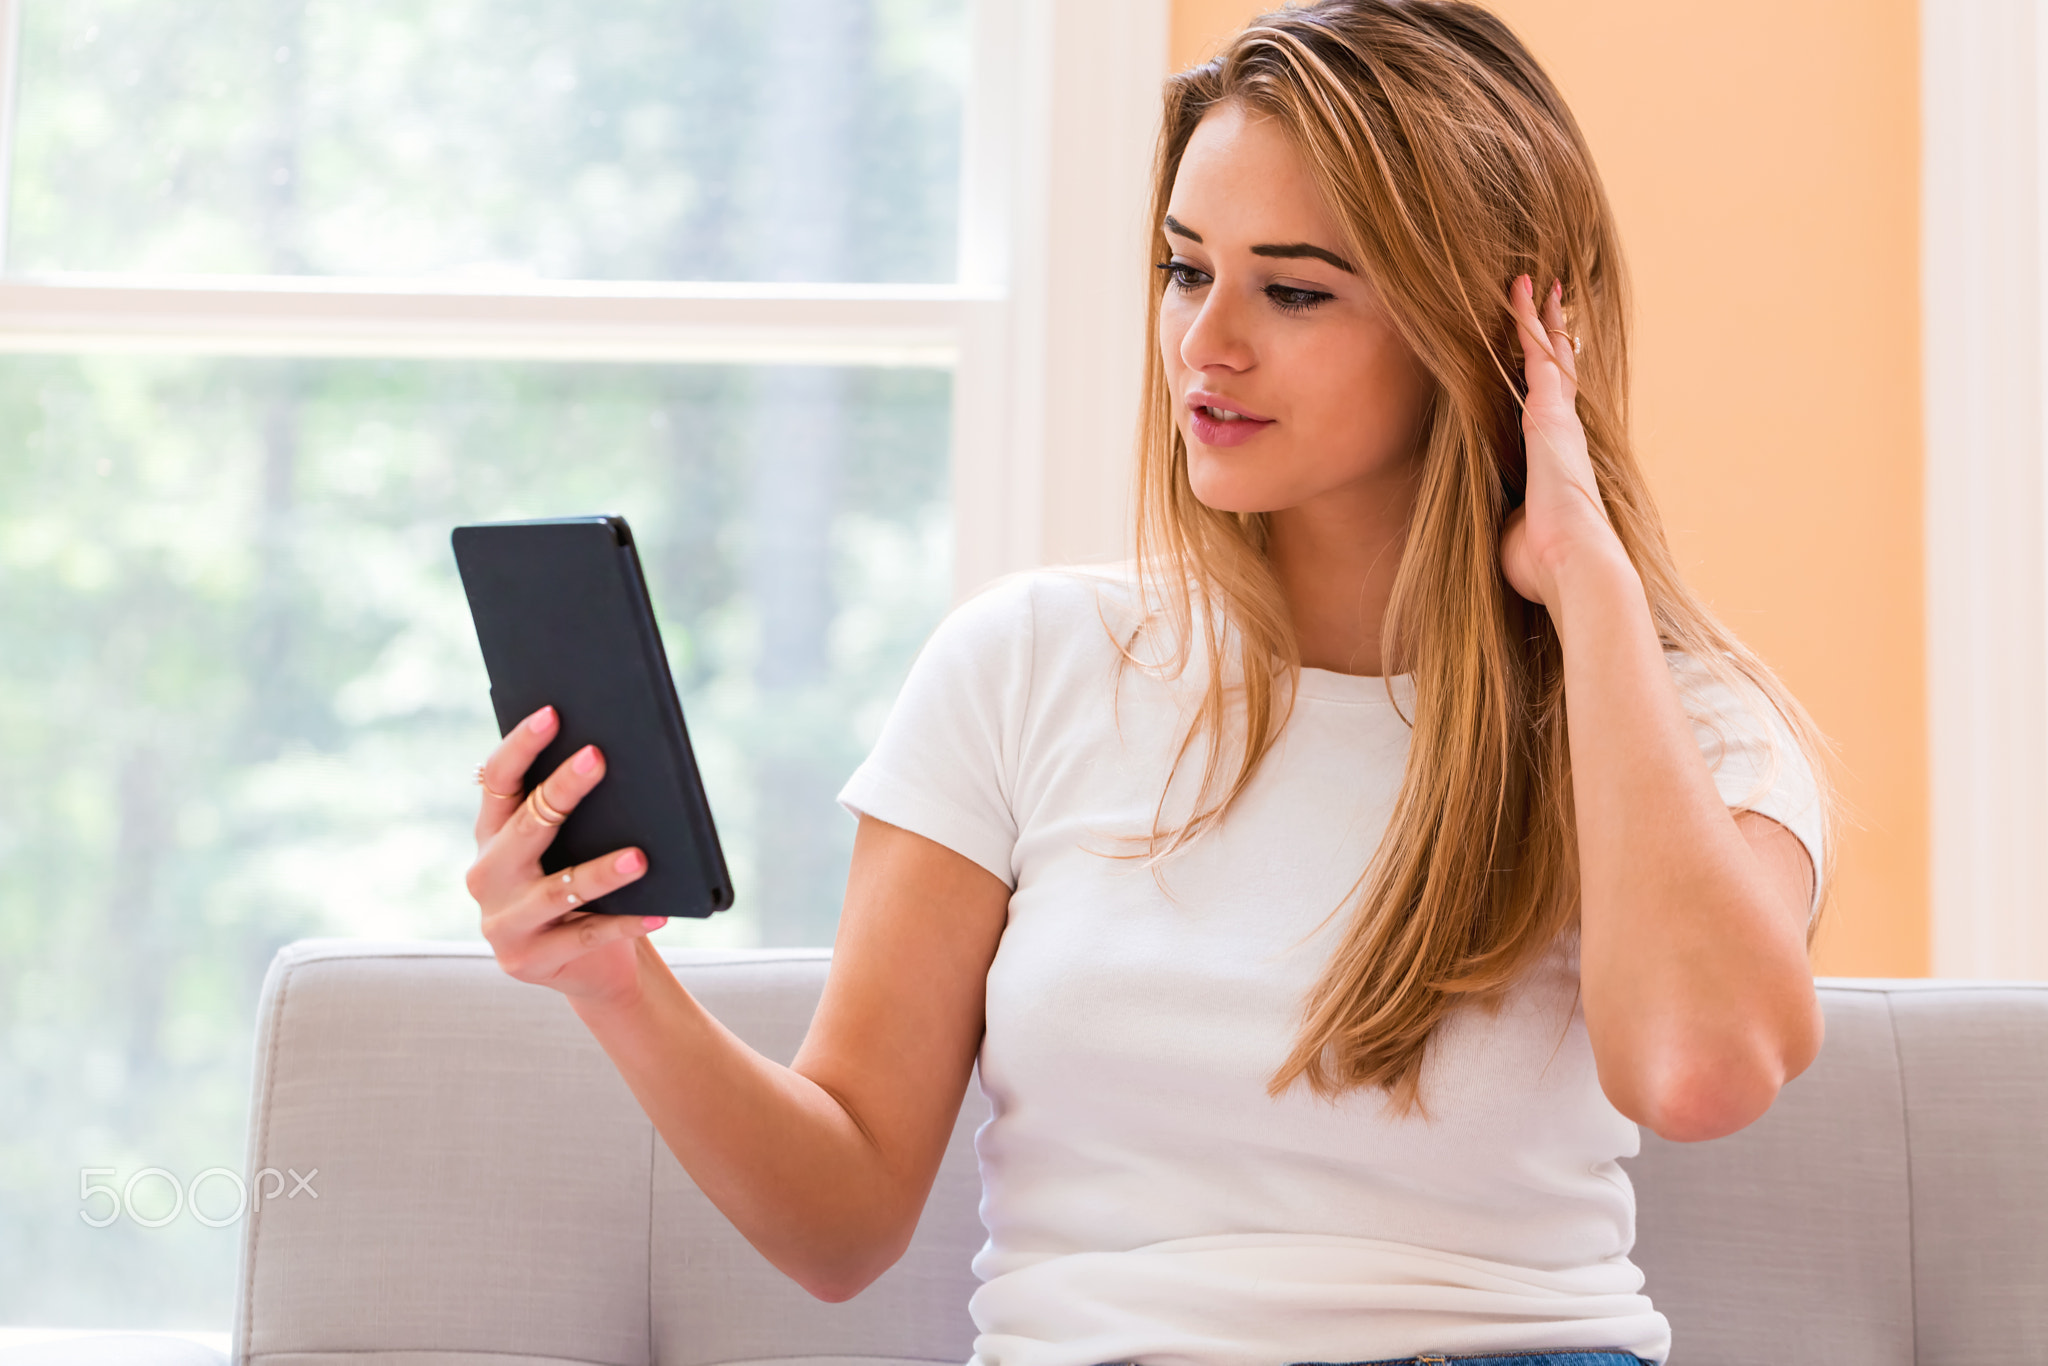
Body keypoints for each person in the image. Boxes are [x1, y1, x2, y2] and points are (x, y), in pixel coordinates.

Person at [463, 5, 1833, 1365]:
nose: (1206, 343)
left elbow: (1699, 1071)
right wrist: (615, 981)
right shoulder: (1024, 669)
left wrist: (1587, 590)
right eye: (1187, 270)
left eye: (1293, 289)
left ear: (1487, 330)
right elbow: (842, 1218)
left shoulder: (1687, 725)